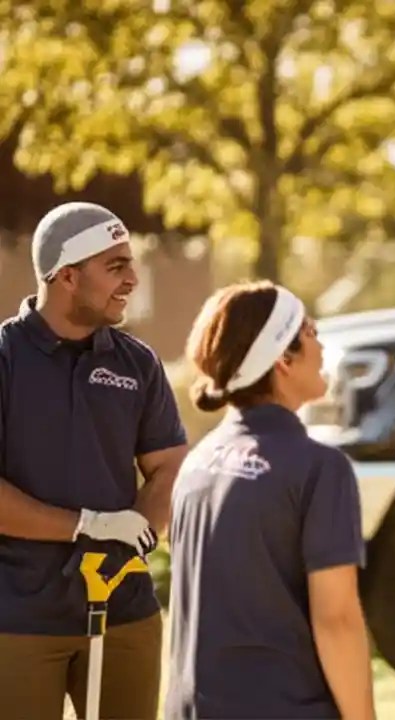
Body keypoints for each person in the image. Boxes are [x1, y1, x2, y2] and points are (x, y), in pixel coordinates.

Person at [0, 202, 189, 719]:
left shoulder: (137, 363)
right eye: (115, 266)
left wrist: (137, 535)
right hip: (16, 618)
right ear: (65, 275)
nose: (132, 279)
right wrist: (87, 526)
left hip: (123, 611)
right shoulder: (5, 358)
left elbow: (169, 465)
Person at [164, 280, 376, 719]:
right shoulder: (320, 468)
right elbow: (336, 620)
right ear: (283, 358)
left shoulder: (196, 463)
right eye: (312, 333)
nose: (322, 347)